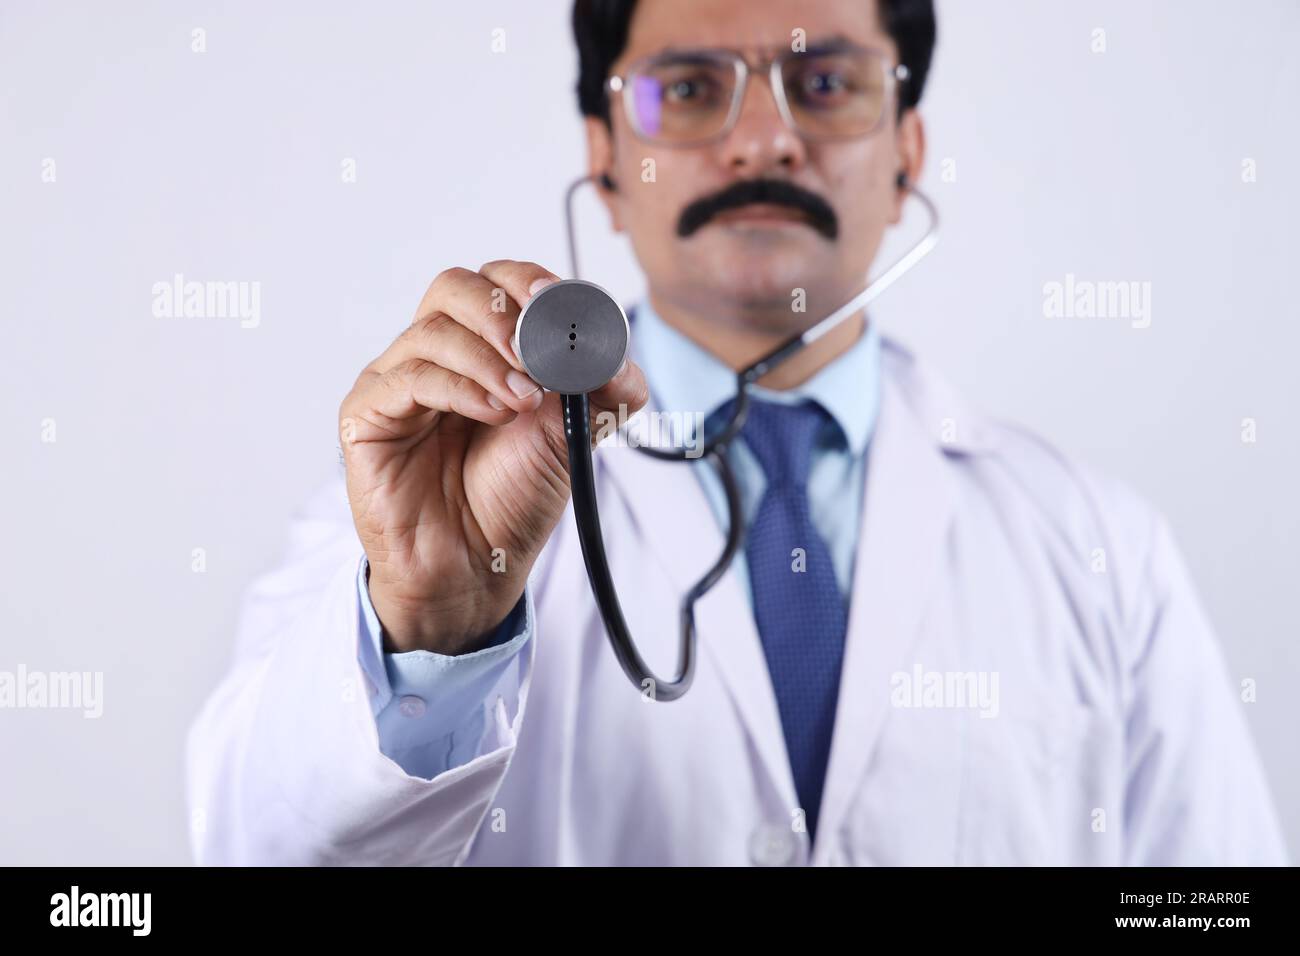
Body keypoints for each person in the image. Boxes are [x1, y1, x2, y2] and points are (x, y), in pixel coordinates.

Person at [185, 0, 1286, 866]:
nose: (764, 137)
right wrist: (431, 624)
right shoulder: (420, 509)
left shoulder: (1097, 542)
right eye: (691, 88)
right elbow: (256, 850)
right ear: (606, 158)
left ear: (906, 153)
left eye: (823, 83)